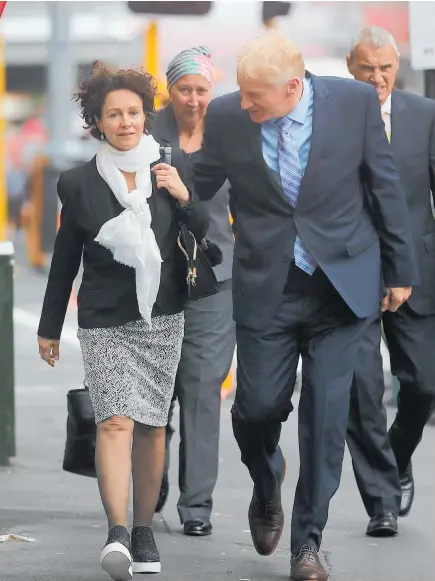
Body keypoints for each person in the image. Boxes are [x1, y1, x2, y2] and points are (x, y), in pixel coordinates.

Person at [192, 31, 418, 581]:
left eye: (256, 98)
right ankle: (268, 481)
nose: (245, 106)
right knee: (256, 410)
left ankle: (307, 546)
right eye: (242, 95)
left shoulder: (354, 103)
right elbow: (197, 188)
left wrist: (400, 270)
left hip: (341, 288)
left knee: (324, 418)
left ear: (293, 87)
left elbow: (384, 186)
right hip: (267, 287)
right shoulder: (228, 115)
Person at [37, 62, 208, 581]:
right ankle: (116, 532)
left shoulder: (171, 168)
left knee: (153, 425)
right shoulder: (78, 182)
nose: (126, 121)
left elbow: (204, 235)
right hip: (105, 315)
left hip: (163, 313)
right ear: (98, 121)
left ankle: (143, 530)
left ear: (146, 115)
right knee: (114, 420)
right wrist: (49, 327)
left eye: (133, 112)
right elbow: (66, 257)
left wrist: (183, 195)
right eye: (114, 114)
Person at [345, 26, 435, 536]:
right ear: (350, 65)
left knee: (422, 385)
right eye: (366, 68)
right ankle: (381, 500)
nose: (377, 78)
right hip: (352, 272)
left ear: (396, 67)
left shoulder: (424, 115)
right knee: (363, 393)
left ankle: (396, 459)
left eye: (385, 68)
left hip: (416, 273)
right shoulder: (332, 115)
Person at [150, 46, 235, 536]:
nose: (195, 99)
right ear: (170, 88)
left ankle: (197, 506)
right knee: (157, 389)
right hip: (155, 280)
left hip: (215, 280)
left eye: (203, 90)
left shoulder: (228, 131)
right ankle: (152, 478)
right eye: (185, 89)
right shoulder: (143, 129)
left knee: (203, 391)